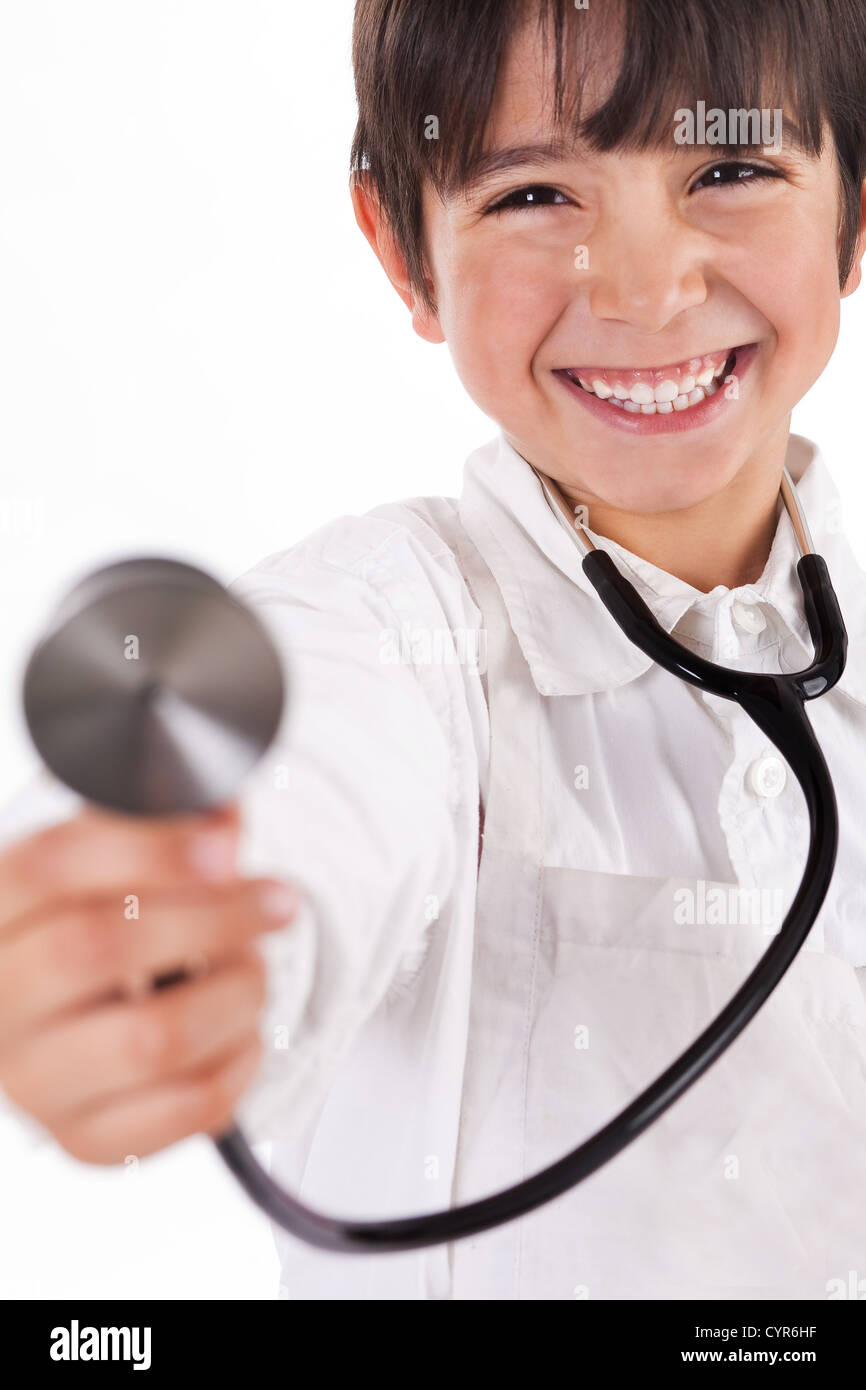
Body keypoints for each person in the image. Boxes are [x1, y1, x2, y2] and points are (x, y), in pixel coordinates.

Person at [2, 0, 866, 1300]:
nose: (643, 287)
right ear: (401, 250)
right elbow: (296, 779)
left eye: (730, 169)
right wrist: (139, 927)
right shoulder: (393, 628)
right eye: (531, 194)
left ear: (855, 208)